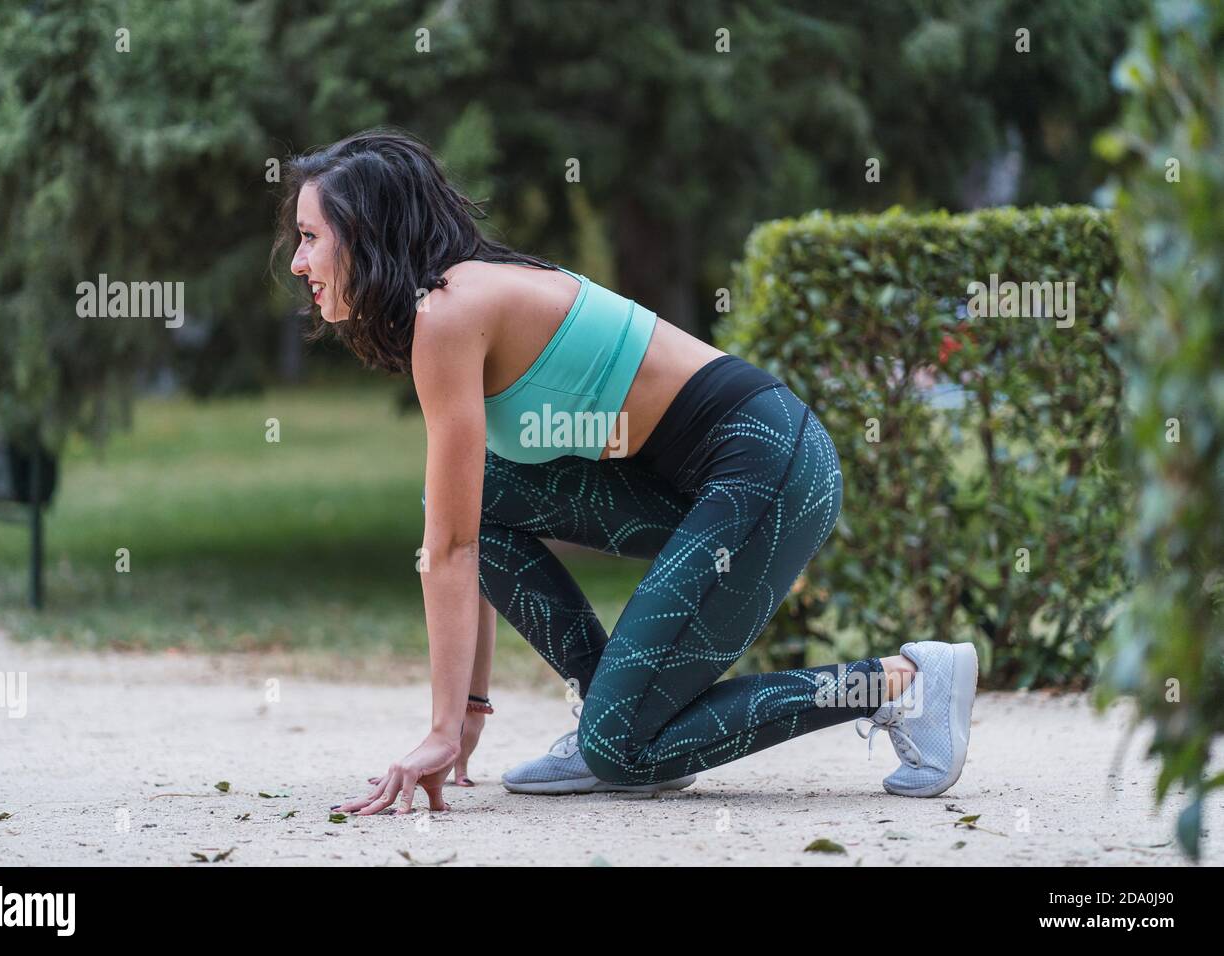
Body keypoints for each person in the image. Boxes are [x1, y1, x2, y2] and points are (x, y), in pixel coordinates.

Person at [270, 127, 979, 816]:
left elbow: (451, 549)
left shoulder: (452, 310)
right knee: (460, 499)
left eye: (310, 237)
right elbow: (463, 520)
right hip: (697, 485)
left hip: (772, 468)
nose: (299, 262)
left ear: (366, 232)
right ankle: (610, 715)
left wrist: (440, 730)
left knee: (625, 751)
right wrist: (468, 708)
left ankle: (899, 685)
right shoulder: (456, 303)